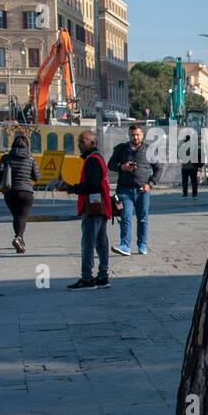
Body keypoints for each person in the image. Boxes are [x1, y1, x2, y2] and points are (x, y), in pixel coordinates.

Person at [58, 130, 112, 290]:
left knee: (88, 243)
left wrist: (71, 188)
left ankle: (87, 278)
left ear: (92, 143)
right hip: (101, 207)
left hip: (93, 208)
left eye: (82, 141)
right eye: (79, 141)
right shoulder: (96, 159)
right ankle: (102, 276)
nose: (79, 144)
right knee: (101, 242)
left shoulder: (92, 160)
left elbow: (92, 185)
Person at [108, 123, 162, 255]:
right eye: (133, 135)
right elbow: (111, 165)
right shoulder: (121, 149)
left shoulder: (149, 150)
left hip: (143, 190)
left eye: (138, 135)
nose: (135, 137)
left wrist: (150, 184)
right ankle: (125, 245)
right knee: (126, 217)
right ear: (129, 135)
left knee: (142, 218)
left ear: (142, 135)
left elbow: (158, 168)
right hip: (125, 190)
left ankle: (142, 244)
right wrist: (122, 167)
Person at [0, 134, 39, 253]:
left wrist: (0, 186)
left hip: (10, 193)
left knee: (17, 216)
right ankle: (18, 238)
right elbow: (36, 177)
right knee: (22, 216)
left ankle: (20, 240)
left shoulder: (6, 158)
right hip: (26, 192)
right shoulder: (30, 158)